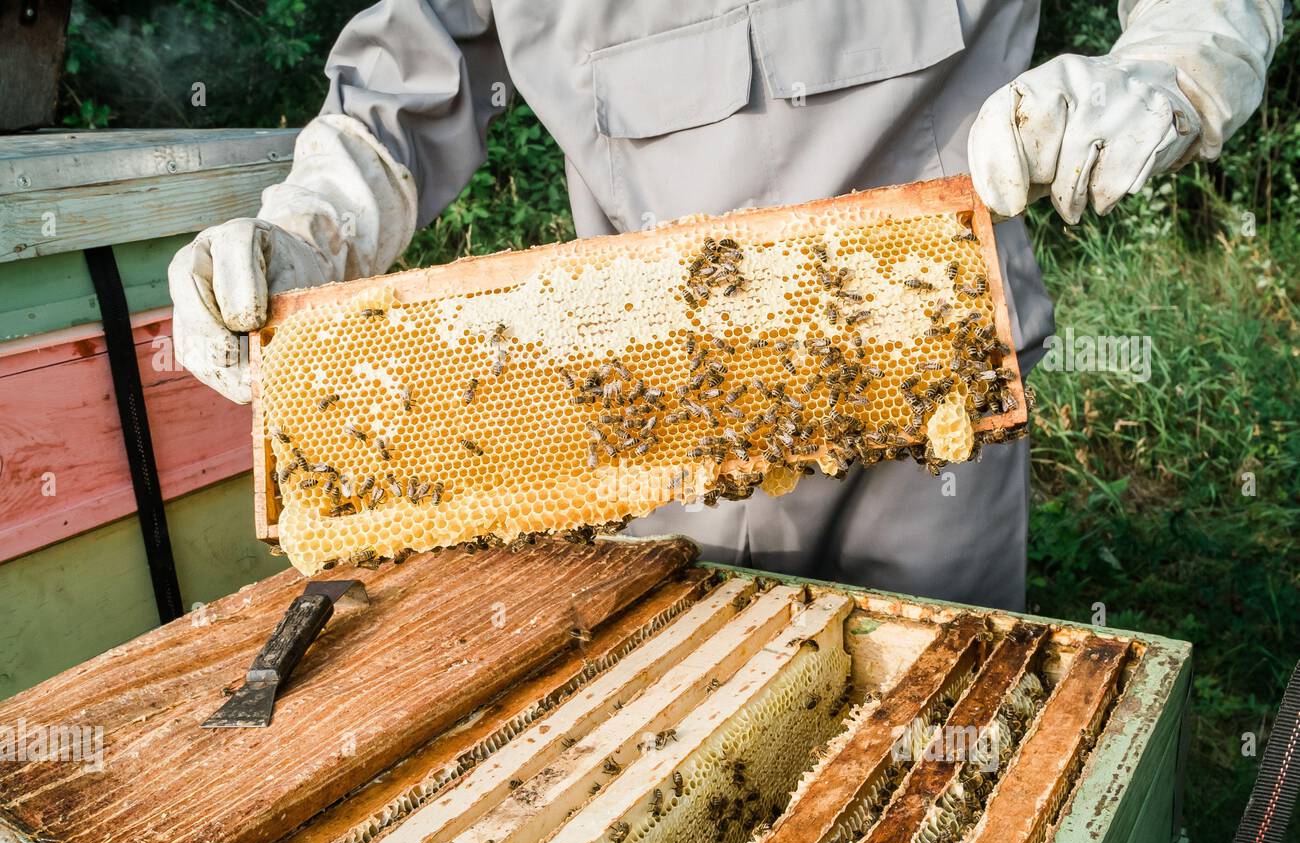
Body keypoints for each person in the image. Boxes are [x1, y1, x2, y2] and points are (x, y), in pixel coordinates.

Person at [168, 0, 1284, 611]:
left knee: (929, 785)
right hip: (650, 443)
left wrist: (1177, 68)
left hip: (933, 432)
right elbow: (403, 83)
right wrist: (308, 226)